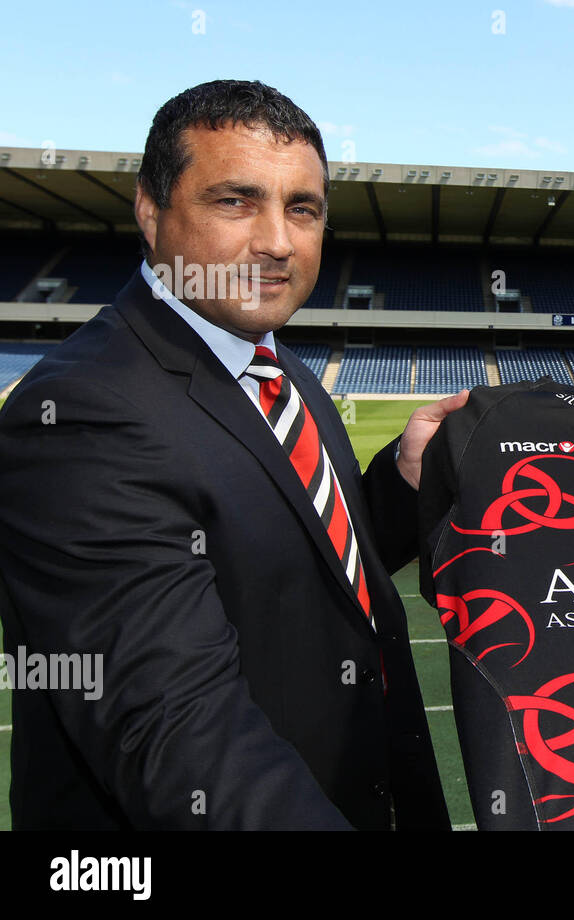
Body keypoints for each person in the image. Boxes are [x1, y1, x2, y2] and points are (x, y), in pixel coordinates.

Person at [0, 79, 467, 829]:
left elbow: (292, 558)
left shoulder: (289, 378)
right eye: (235, 201)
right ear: (151, 214)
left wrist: (405, 484)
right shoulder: (81, 416)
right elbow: (183, 736)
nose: (278, 241)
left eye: (303, 209)